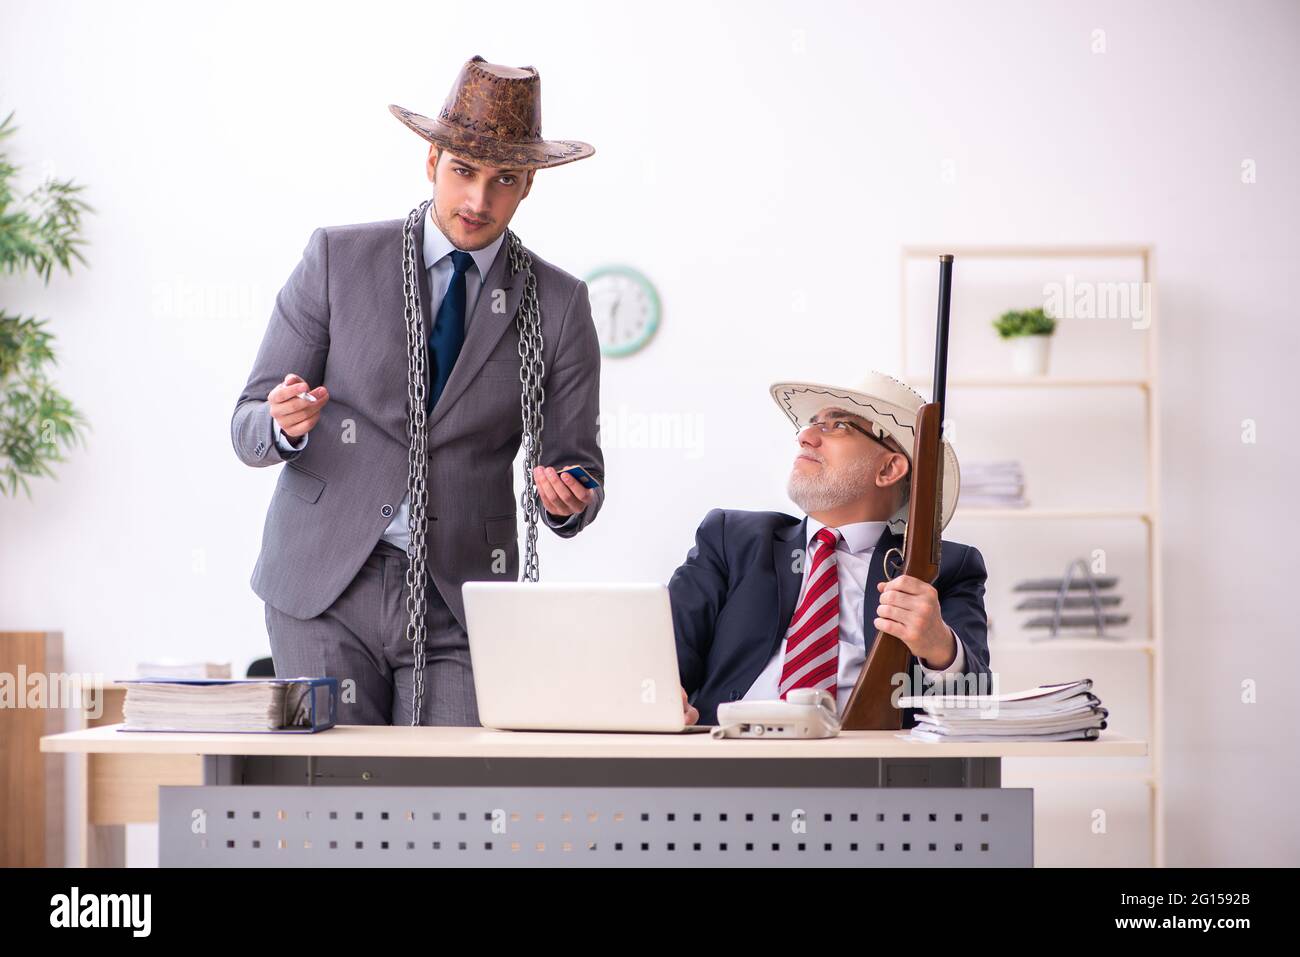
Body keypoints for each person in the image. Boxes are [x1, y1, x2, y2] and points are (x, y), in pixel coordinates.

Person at [231, 56, 603, 726]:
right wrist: (284, 422)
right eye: (463, 171)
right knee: (335, 807)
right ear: (431, 159)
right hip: (321, 583)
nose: (477, 202)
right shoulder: (335, 260)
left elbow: (577, 465)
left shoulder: (561, 303)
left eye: (504, 181)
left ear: (528, 187)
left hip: (460, 597)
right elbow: (247, 424)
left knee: (448, 813)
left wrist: (569, 497)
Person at [669, 372, 991, 727]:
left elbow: (974, 709)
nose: (806, 437)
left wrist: (940, 648)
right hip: (727, 758)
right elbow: (662, 657)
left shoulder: (947, 569)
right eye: (811, 424)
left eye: (837, 425)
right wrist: (666, 696)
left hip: (867, 770)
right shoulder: (732, 539)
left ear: (888, 468)